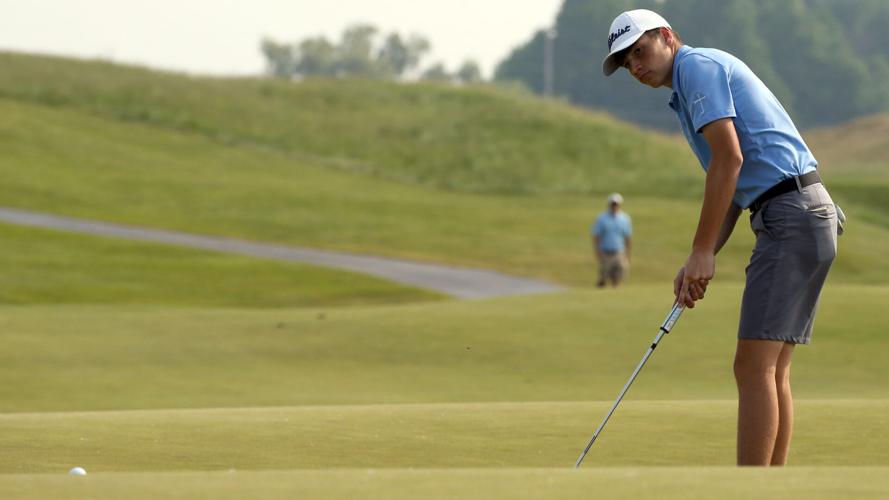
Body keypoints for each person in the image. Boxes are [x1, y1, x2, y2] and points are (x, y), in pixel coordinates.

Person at [601, 9, 838, 466]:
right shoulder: (689, 85)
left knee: (753, 367)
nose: (635, 65)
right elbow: (732, 183)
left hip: (791, 214)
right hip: (804, 211)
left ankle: (748, 490)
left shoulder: (696, 69)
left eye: (639, 50)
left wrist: (702, 251)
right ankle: (770, 485)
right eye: (626, 61)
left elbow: (729, 161)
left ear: (667, 36)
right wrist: (701, 255)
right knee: (772, 369)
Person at [591, 193, 632, 287]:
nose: (614, 206)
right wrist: (597, 250)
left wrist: (628, 253)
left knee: (618, 275)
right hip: (605, 252)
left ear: (619, 205)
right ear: (609, 204)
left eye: (616, 204)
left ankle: (615, 293)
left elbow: (628, 237)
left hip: (619, 252)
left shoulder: (625, 219)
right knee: (604, 277)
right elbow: (596, 235)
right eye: (613, 204)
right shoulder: (602, 218)